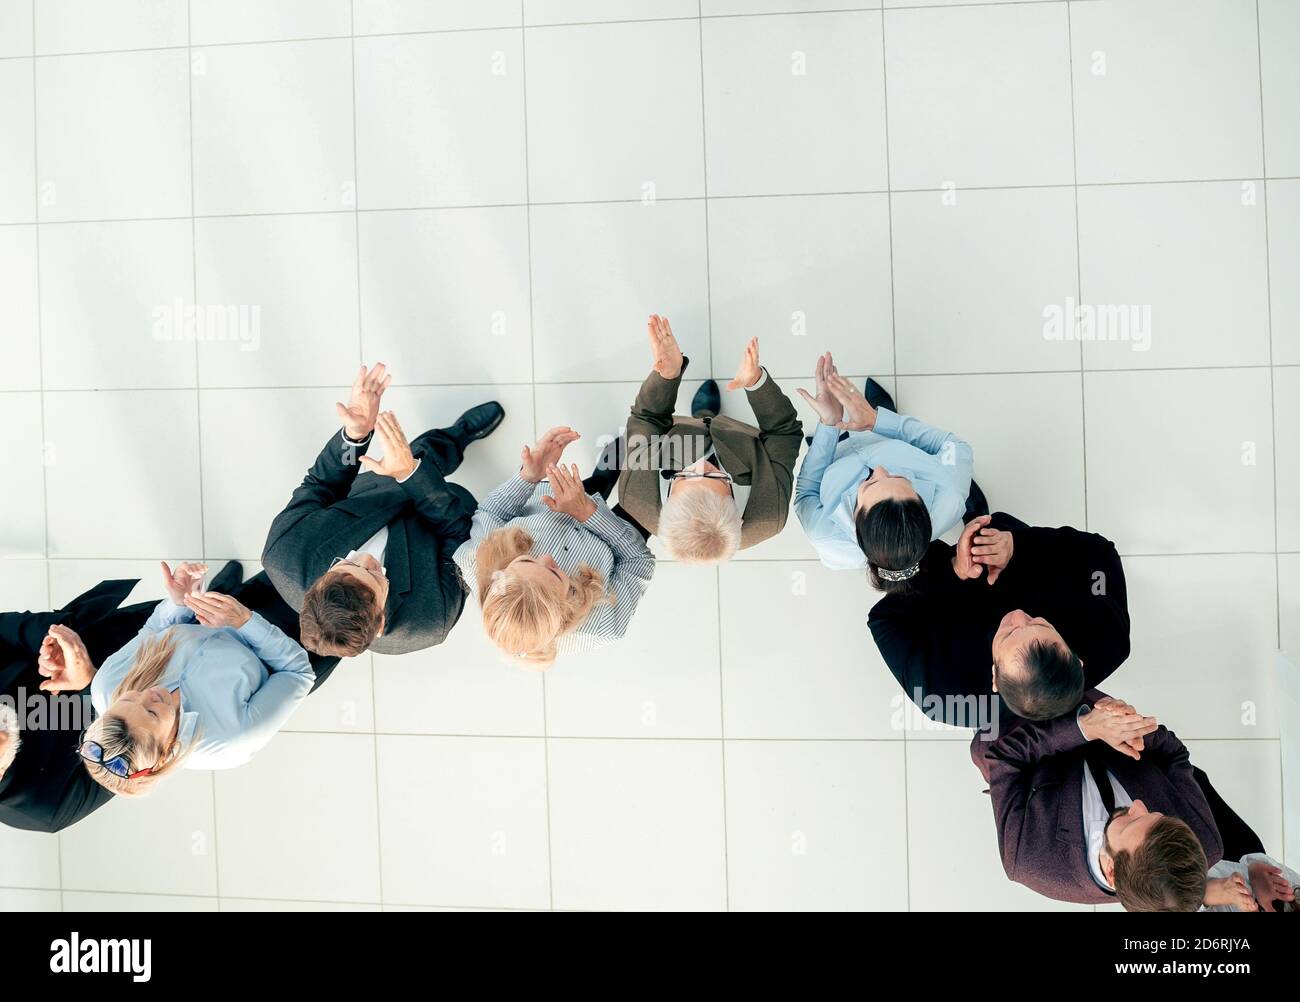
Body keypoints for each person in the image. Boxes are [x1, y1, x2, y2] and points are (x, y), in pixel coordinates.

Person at [262, 363, 503, 659]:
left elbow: (321, 485)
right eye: (375, 575)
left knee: (423, 451)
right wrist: (412, 476)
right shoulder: (430, 620)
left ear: (317, 583)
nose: (365, 558)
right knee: (417, 465)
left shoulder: (283, 553)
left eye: (345, 563)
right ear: (381, 622)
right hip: (443, 522)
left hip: (381, 489)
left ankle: (458, 435)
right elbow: (462, 539)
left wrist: (355, 435)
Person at [971, 690, 1266, 910]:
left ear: (1111, 871)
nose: (1139, 804)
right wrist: (1130, 728)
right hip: (1084, 694)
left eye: (1129, 823)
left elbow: (1002, 758)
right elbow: (1175, 755)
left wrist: (1084, 728)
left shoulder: (1029, 861)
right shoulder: (1206, 842)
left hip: (1010, 717)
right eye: (1154, 814)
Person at [38, 562, 315, 796]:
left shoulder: (106, 686)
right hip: (291, 642)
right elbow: (298, 672)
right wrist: (244, 622)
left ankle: (229, 588)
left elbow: (155, 629)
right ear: (166, 751)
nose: (149, 692)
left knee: (285, 568)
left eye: (129, 698)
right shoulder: (231, 740)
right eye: (151, 711)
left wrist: (180, 600)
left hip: (222, 615)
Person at [868, 512, 1130, 723]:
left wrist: (953, 573)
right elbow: (1099, 554)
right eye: (1038, 623)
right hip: (1021, 558)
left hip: (944, 594)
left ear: (994, 677)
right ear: (1077, 659)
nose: (1017, 616)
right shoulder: (1108, 637)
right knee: (991, 522)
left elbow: (884, 619)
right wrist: (1019, 547)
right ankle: (977, 514)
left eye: (1008, 633)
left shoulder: (945, 699)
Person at [600, 314, 802, 562]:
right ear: (738, 517)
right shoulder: (771, 513)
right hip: (738, 436)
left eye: (683, 475)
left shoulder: (635, 494)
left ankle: (704, 415)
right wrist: (756, 384)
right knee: (723, 424)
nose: (700, 464)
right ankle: (709, 415)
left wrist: (669, 375)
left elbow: (647, 418)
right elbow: (784, 431)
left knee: (697, 419)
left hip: (683, 429)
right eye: (715, 476)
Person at [453, 426, 656, 668]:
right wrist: (589, 514)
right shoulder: (604, 627)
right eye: (554, 574)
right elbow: (638, 561)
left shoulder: (478, 561)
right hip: (623, 535)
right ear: (567, 606)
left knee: (597, 482)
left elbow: (492, 513)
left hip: (559, 499)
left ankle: (607, 470)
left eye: (526, 560)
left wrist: (528, 477)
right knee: (649, 490)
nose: (546, 557)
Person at [794, 352, 983, 588]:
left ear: (855, 519)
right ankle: (882, 410)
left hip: (836, 458)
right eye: (900, 477)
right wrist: (877, 420)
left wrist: (829, 424)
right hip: (884, 435)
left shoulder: (826, 536)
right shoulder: (950, 495)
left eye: (871, 482)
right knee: (883, 420)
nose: (881, 469)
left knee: (821, 453)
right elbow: (955, 447)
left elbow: (807, 493)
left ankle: (833, 438)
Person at [0, 578, 156, 832]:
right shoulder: (47, 807)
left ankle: (224, 590)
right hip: (155, 691)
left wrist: (46, 645)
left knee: (193, 606)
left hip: (102, 635)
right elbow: (134, 760)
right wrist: (90, 683)